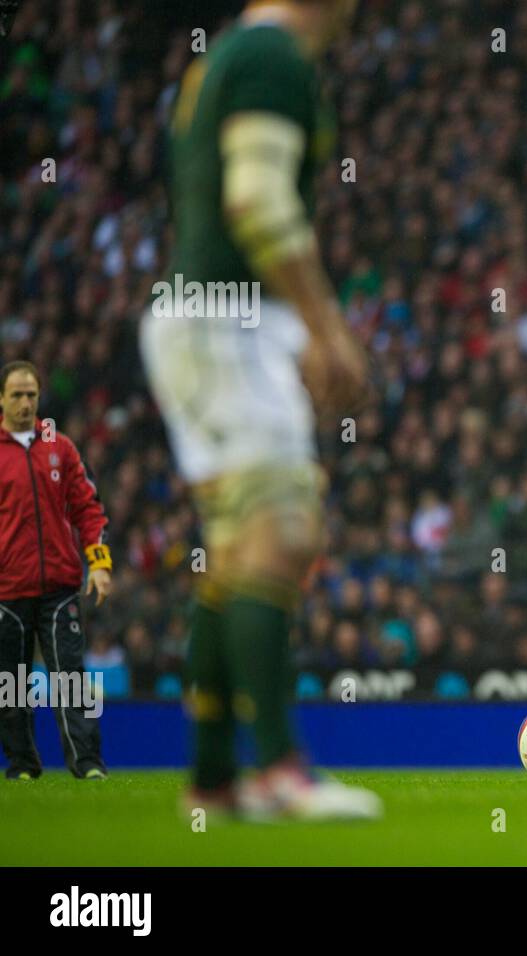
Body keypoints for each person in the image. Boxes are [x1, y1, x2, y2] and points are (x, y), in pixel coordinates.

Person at [140, 0, 379, 820]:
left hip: (208, 319)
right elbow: (257, 200)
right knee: (282, 533)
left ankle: (212, 780)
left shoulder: (238, 55)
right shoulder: (273, 59)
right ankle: (279, 768)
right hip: (226, 325)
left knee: (242, 549)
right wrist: (327, 328)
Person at [0, 361, 112, 780]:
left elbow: (88, 508)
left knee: (71, 678)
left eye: (32, 394)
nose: (26, 402)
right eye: (17, 395)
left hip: (61, 585)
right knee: (10, 683)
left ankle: (87, 764)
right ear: (1, 399)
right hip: (8, 588)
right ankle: (23, 764)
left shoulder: (60, 447)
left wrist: (98, 565)